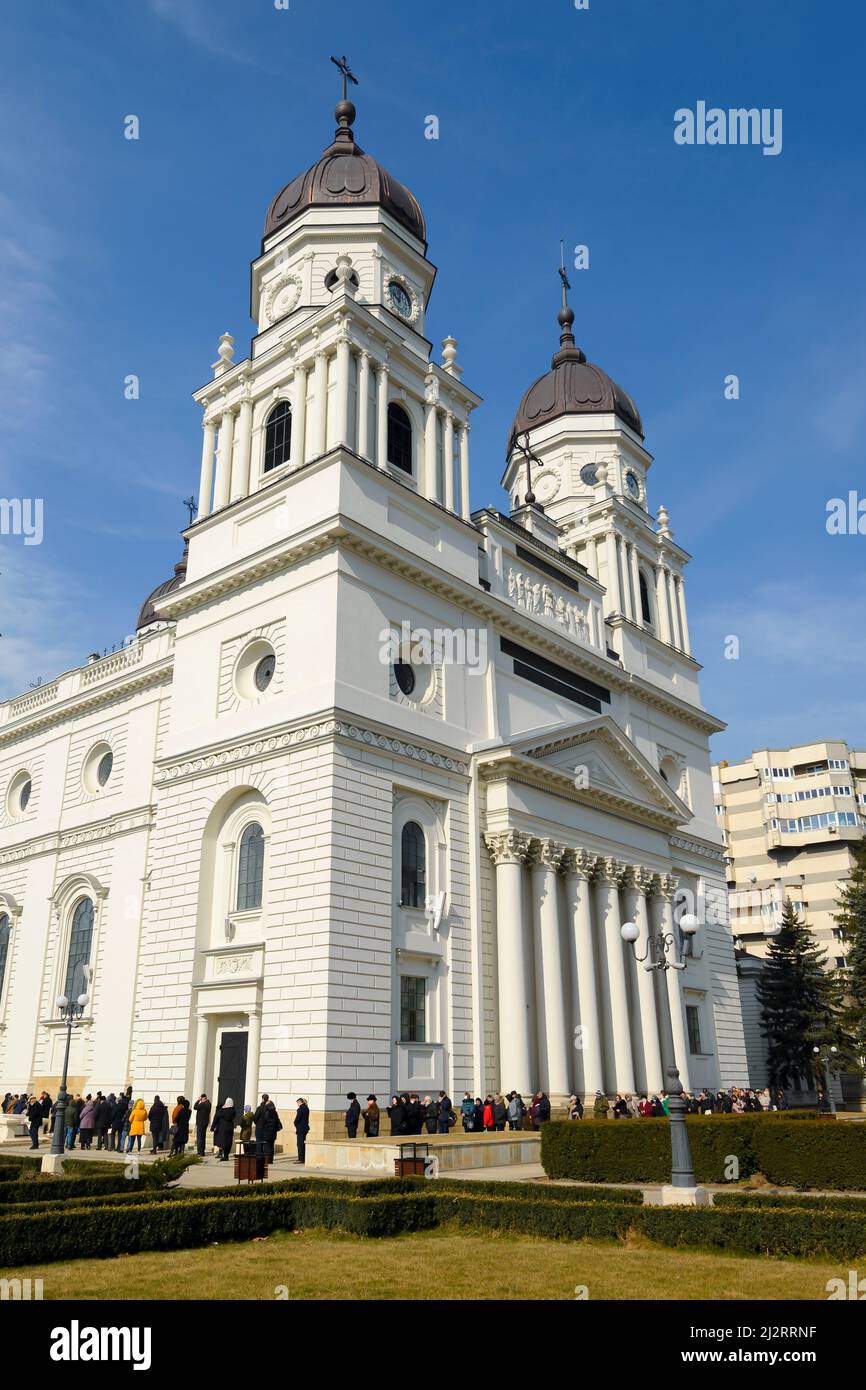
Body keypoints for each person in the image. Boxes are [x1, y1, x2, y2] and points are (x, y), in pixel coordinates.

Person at [212, 1097, 236, 1162]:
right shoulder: (233, 1110)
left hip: (224, 1126)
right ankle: (227, 1155)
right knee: (229, 1141)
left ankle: (225, 1156)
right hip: (230, 1126)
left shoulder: (224, 1110)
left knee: (224, 1141)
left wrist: (222, 1108)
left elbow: (218, 1115)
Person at [294, 1098, 310, 1164]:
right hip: (305, 1128)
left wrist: (295, 1124)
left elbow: (297, 1120)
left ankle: (300, 1159)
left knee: (300, 1144)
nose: (297, 1104)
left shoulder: (300, 1109)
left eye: (297, 1103)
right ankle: (303, 1158)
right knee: (302, 1144)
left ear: (300, 1102)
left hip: (300, 1129)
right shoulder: (306, 1108)